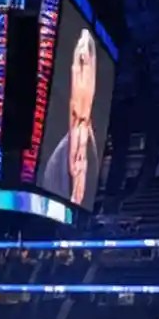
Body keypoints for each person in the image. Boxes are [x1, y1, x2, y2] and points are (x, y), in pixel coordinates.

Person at [40, 28, 99, 206]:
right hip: (77, 122)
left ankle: (76, 200)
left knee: (80, 165)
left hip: (82, 122)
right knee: (76, 164)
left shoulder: (89, 76)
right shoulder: (77, 72)